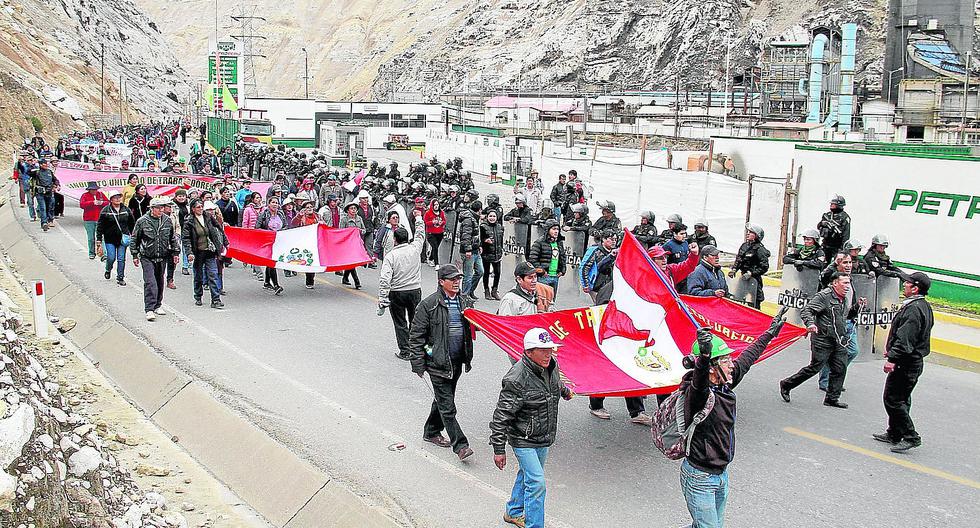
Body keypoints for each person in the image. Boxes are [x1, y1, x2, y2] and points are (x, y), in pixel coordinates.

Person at [678, 312, 787, 528]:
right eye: (726, 360)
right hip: (700, 478)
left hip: (720, 475)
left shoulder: (724, 384)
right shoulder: (697, 395)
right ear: (711, 368)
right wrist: (704, 357)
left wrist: (770, 333)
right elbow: (699, 381)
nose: (731, 364)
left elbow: (749, 357)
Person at [490, 327, 573, 528]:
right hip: (523, 439)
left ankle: (513, 511)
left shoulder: (551, 366)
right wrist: (499, 450)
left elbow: (555, 383)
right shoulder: (516, 378)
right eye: (542, 350)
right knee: (537, 483)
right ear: (528, 352)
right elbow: (501, 416)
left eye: (550, 349)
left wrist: (565, 391)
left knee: (528, 475)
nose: (548, 354)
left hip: (544, 436)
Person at [408, 264, 475, 462]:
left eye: (458, 279)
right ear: (441, 281)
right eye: (452, 279)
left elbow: (475, 325)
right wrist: (418, 363)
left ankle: (431, 431)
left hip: (456, 361)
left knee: (442, 399)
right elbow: (416, 336)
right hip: (437, 363)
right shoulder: (428, 305)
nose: (456, 282)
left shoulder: (464, 302)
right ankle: (461, 445)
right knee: (448, 405)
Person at [779, 272, 857, 409]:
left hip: (838, 339)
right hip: (822, 339)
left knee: (840, 368)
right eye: (844, 283)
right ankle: (787, 384)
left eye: (848, 283)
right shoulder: (824, 296)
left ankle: (832, 398)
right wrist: (810, 324)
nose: (847, 286)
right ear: (834, 283)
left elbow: (845, 316)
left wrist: (857, 308)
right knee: (815, 367)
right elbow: (806, 311)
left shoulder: (844, 298)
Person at [876, 272, 934, 453]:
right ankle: (894, 432)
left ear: (915, 288)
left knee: (893, 399)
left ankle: (911, 436)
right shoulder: (921, 306)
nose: (904, 285)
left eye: (907, 283)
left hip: (905, 363)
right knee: (901, 398)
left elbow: (905, 338)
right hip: (910, 361)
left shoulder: (914, 309)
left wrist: (893, 358)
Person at [378, 213, 426, 360]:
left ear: (395, 240)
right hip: (414, 290)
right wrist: (418, 218)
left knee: (400, 323)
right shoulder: (415, 248)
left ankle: (405, 351)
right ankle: (416, 350)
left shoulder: (391, 256)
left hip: (397, 292)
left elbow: (385, 279)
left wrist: (382, 298)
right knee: (415, 322)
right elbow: (420, 234)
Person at [817, 254, 863, 392]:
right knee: (831, 352)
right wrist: (832, 264)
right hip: (835, 323)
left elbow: (849, 303)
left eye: (850, 262)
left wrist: (857, 306)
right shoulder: (833, 279)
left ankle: (835, 375)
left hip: (848, 321)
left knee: (853, 351)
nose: (849, 265)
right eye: (845, 262)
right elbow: (823, 277)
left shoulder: (850, 280)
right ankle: (827, 380)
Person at [131, 197, 180, 321]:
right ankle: (149, 309)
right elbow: (135, 238)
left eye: (162, 208)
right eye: (158, 208)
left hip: (162, 256)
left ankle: (158, 304)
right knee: (150, 282)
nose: (161, 210)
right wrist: (134, 255)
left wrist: (175, 252)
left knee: (159, 281)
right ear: (152, 209)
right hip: (147, 256)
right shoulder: (142, 221)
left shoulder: (167, 221)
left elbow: (172, 238)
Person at [182, 199, 227, 309]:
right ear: (193, 209)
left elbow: (218, 228)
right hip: (198, 252)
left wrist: (225, 242)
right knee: (198, 276)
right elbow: (186, 238)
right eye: (198, 207)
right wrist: (189, 253)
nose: (201, 208)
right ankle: (198, 296)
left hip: (210, 251)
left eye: (201, 206)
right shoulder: (189, 221)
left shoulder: (208, 216)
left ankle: (215, 299)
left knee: (213, 274)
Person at [95, 190, 135, 286]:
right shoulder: (105, 211)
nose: (117, 199)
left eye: (119, 197)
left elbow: (132, 224)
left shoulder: (126, 210)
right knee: (111, 257)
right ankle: (108, 269)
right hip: (109, 239)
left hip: (122, 239)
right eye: (115, 197)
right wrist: (99, 239)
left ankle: (120, 277)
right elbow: (100, 226)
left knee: (121, 259)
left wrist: (133, 235)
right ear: (111, 199)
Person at [729, 224, 770, 309]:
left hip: (754, 280)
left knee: (754, 302)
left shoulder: (760, 249)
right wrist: (734, 269)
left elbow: (764, 267)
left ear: (756, 235)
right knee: (737, 299)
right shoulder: (744, 245)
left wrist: (751, 273)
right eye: (748, 232)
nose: (748, 233)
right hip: (743, 278)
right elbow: (739, 259)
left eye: (751, 232)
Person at [255, 196, 286, 295]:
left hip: (278, 240)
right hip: (267, 241)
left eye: (276, 202)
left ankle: (267, 282)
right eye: (273, 202)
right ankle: (276, 285)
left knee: (271, 261)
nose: (275, 204)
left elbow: (285, 225)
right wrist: (267, 233)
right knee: (271, 262)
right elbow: (257, 227)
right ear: (268, 204)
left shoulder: (281, 214)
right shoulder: (263, 214)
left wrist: (281, 232)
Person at [528, 220, 566, 295]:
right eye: (553, 229)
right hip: (543, 277)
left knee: (551, 302)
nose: (556, 231)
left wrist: (562, 270)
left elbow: (563, 257)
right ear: (547, 230)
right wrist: (542, 271)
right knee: (542, 301)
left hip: (555, 276)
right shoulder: (539, 242)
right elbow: (532, 259)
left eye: (557, 229)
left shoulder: (559, 243)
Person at [291, 201, 322, 289]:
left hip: (315, 241)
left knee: (313, 260)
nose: (309, 208)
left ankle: (311, 279)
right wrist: (299, 216)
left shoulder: (317, 216)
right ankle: (309, 279)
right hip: (305, 241)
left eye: (310, 207)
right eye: (307, 207)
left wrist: (322, 224)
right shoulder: (301, 216)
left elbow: (324, 225)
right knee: (308, 260)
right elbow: (294, 223)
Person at [580, 230, 617, 303]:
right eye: (611, 239)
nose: (614, 242)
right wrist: (585, 284)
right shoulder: (594, 250)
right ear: (603, 239)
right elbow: (584, 267)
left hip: (608, 284)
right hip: (596, 285)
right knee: (600, 306)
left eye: (615, 239)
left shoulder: (615, 251)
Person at [458, 200, 484, 301]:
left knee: (480, 271)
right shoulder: (468, 219)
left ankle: (469, 291)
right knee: (468, 275)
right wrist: (468, 249)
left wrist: (479, 245)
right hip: (468, 251)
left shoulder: (474, 218)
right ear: (480, 210)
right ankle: (464, 296)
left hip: (475, 250)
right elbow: (466, 236)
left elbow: (476, 235)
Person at [338, 201, 365, 289]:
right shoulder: (344, 219)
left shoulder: (359, 219)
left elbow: (364, 230)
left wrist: (359, 230)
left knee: (352, 262)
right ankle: (357, 282)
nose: (353, 210)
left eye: (355, 209)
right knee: (352, 262)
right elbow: (340, 231)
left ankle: (345, 277)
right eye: (351, 208)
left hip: (357, 243)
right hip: (347, 244)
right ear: (348, 210)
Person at [79, 182, 109, 259]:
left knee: (102, 237)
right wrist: (92, 202)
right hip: (89, 219)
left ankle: (104, 253)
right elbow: (82, 205)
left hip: (100, 219)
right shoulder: (85, 195)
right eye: (92, 189)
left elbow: (108, 203)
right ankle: (91, 252)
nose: (94, 191)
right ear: (89, 190)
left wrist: (101, 203)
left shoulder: (101, 194)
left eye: (95, 189)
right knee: (91, 238)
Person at [817, 194, 850, 260]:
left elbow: (846, 235)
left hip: (837, 246)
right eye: (831, 203)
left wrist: (843, 249)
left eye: (833, 204)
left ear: (839, 205)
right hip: (826, 244)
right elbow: (818, 226)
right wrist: (823, 224)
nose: (831, 205)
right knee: (822, 262)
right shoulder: (827, 215)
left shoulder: (844, 217)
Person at [481, 210, 505, 300]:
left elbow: (501, 240)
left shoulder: (500, 227)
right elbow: (480, 239)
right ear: (487, 217)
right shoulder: (483, 226)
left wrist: (501, 249)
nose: (492, 218)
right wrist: (484, 241)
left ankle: (494, 290)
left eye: (494, 216)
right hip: (486, 253)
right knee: (486, 273)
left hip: (497, 253)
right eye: (490, 216)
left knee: (497, 272)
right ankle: (486, 291)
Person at [29, 158, 58, 231]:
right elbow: (27, 172)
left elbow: (55, 180)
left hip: (49, 192)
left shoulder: (49, 172)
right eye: (44, 164)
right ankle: (44, 223)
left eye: (46, 164)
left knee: (49, 207)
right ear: (40, 165)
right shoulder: (36, 172)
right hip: (40, 193)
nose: (45, 165)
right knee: (43, 208)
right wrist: (32, 164)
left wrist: (57, 185)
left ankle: (49, 220)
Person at [423, 198, 446, 268]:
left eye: (437, 204)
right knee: (435, 247)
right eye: (434, 205)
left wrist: (441, 223)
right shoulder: (428, 213)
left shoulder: (441, 212)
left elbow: (444, 221)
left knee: (435, 247)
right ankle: (437, 264)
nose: (436, 206)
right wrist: (432, 222)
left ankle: (430, 258)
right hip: (431, 233)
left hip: (439, 233)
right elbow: (426, 223)